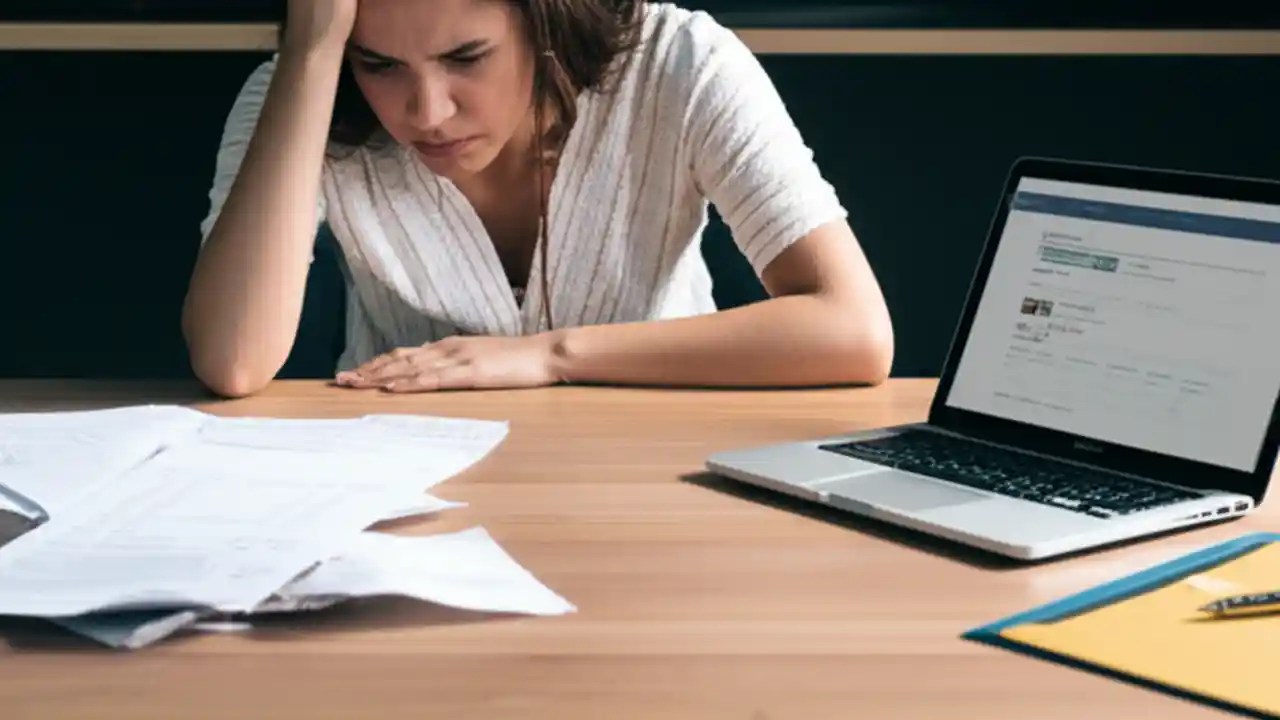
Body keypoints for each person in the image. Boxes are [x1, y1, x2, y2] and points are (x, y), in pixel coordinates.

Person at [182, 0, 894, 397]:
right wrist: (311, 54)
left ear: (545, 19)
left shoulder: (681, 64)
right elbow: (232, 360)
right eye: (381, 65)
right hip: (406, 490)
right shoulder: (300, 97)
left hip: (662, 478)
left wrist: (553, 355)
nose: (427, 111)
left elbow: (854, 331)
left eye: (466, 58)